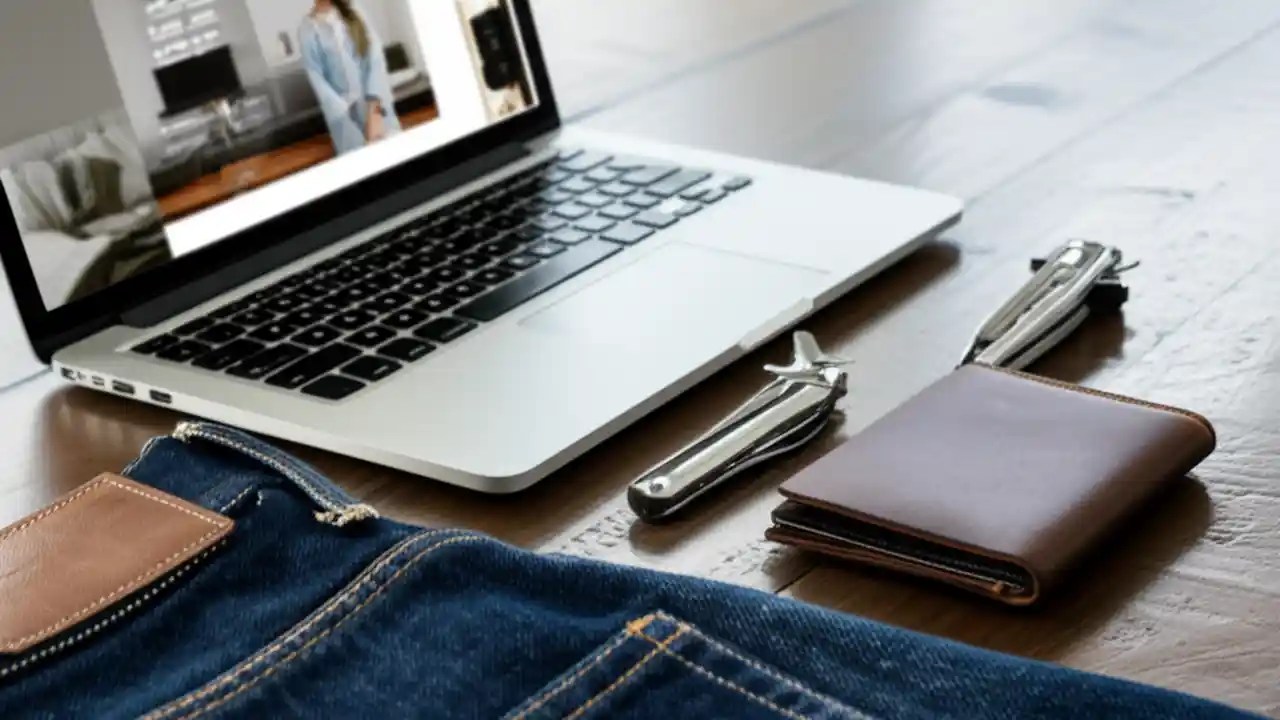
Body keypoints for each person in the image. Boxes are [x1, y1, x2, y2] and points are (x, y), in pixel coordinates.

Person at [299, 0, 401, 155]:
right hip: (346, 126)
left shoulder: (355, 11)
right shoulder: (307, 31)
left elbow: (375, 61)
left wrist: (374, 113)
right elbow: (318, 82)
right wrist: (350, 125)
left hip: (379, 114)